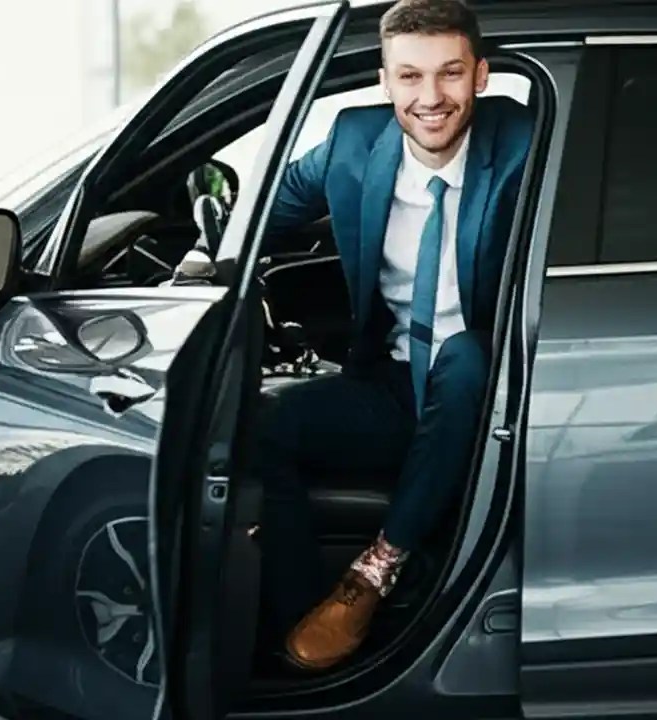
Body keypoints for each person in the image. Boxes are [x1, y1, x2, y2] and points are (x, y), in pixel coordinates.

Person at [253, 0, 533, 671]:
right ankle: (303, 631)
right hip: (394, 388)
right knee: (264, 429)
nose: (430, 98)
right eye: (410, 77)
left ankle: (376, 571)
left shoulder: (526, 145)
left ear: (481, 76)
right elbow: (263, 214)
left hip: (494, 401)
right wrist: (204, 261)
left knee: (465, 357)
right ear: (385, 82)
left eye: (450, 74)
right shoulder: (352, 145)